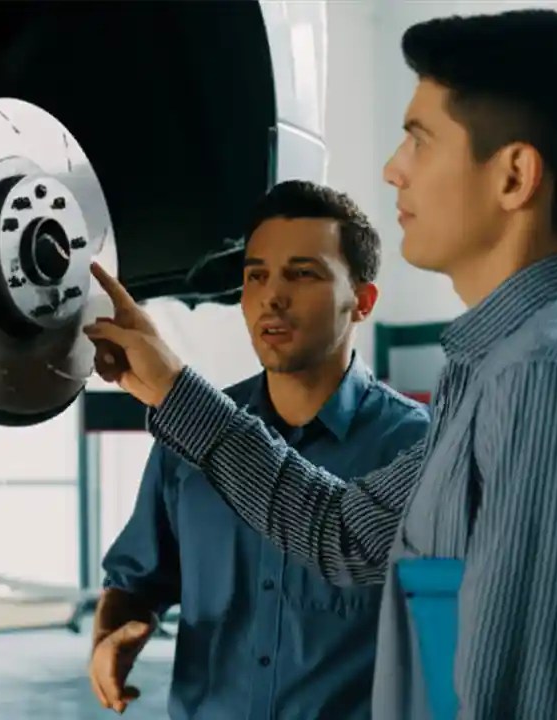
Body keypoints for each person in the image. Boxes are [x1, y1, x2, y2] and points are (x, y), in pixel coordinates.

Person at [83, 8, 557, 720]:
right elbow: (341, 533)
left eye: (419, 141)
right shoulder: (493, 371)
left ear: (515, 175)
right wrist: (176, 390)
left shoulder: (547, 378)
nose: (393, 169)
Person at [87, 181, 430, 718]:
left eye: (302, 273)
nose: (272, 295)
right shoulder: (186, 438)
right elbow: (137, 579)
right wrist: (112, 636)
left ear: (361, 302)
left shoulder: (413, 450)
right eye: (256, 275)